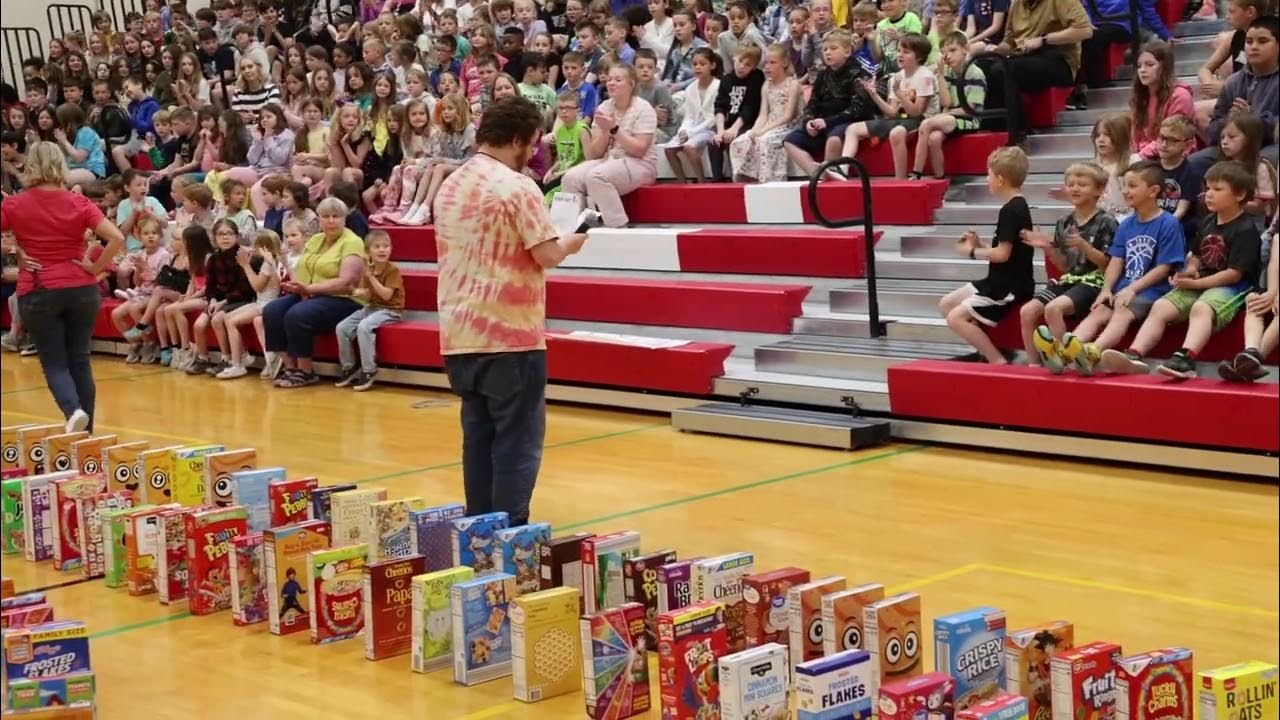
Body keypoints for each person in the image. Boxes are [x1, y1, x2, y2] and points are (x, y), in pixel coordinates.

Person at [435, 95, 588, 527]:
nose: (533, 154)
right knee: (517, 445)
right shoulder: (518, 186)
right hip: (511, 337)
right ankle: (511, 540)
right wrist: (572, 243)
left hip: (459, 335)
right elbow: (546, 253)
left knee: (477, 441)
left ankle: (478, 532)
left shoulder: (450, 184)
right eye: (534, 144)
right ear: (520, 139)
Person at [0, 141, 126, 433]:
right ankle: (86, 432)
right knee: (80, 360)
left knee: (54, 362)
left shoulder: (15, 204)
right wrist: (95, 268)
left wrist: (14, 252)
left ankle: (73, 411)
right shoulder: (78, 202)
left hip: (39, 288)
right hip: (81, 288)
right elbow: (117, 238)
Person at [1100, 162, 1262, 378]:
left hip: (1233, 287)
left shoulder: (1246, 229)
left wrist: (1195, 283)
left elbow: (1234, 274)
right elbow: (1195, 255)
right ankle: (1135, 354)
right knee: (1161, 306)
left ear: (1240, 194)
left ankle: (1186, 358)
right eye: (1207, 188)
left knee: (1201, 308)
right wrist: (1190, 270)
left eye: (1217, 189)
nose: (1208, 194)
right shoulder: (1207, 221)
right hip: (1200, 280)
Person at [1063, 161, 1187, 375]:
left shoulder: (1168, 223)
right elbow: (1116, 261)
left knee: (1121, 312)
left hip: (1152, 291)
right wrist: (1106, 290)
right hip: (1124, 289)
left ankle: (1093, 352)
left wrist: (1133, 289)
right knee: (1099, 310)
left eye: (1131, 186)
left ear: (1153, 191)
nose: (1125, 191)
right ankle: (1067, 350)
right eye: (1124, 186)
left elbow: (1165, 267)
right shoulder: (1127, 224)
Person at [938, 146, 1035, 364]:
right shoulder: (1015, 206)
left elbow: (1002, 254)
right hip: (997, 279)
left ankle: (997, 361)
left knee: (955, 318)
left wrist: (971, 251)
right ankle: (989, 347)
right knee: (946, 304)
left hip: (1009, 286)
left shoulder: (1012, 210)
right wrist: (980, 243)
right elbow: (1007, 249)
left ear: (1000, 179)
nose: (986, 178)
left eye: (988, 174)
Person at [1020, 162, 1118, 373]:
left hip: (1095, 281)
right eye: (1071, 184)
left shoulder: (1107, 222)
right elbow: (1064, 266)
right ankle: (1034, 366)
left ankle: (1065, 362)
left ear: (1099, 191)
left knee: (1054, 308)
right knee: (1027, 312)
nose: (1074, 188)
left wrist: (1084, 246)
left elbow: (1110, 264)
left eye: (1082, 184)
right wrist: (1047, 247)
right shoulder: (1063, 222)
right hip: (1070, 280)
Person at [261, 197, 365, 387]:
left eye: (336, 216)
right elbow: (302, 269)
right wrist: (298, 288)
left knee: (297, 313)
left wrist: (309, 289)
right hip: (311, 292)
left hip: (343, 298)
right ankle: (289, 367)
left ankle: (306, 371)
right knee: (272, 311)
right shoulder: (315, 239)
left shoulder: (353, 242)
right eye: (326, 216)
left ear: (344, 219)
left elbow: (346, 282)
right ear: (319, 219)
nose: (331, 221)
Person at [970, 0, 1092, 143]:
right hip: (1023, 57)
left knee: (1004, 70)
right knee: (982, 65)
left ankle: (1018, 131)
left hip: (1058, 59)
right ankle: (992, 129)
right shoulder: (1016, 4)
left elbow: (1085, 30)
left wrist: (1045, 39)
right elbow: (1009, 42)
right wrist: (994, 50)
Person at [561, 65, 658, 228]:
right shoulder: (604, 107)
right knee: (570, 178)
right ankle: (577, 227)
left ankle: (618, 227)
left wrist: (614, 129)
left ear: (631, 84)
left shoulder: (644, 108)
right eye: (609, 79)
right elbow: (595, 154)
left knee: (596, 176)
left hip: (641, 163)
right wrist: (605, 132)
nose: (611, 83)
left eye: (618, 80)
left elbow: (640, 149)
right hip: (609, 159)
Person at [1189, 16, 1279, 178]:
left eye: (1263, 41)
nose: (1254, 47)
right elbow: (1214, 130)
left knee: (1264, 163)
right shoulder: (1233, 82)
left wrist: (1252, 120)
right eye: (1249, 41)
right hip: (1232, 146)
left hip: (1269, 147)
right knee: (1194, 163)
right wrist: (1230, 122)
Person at [783, 30, 875, 180]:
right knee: (789, 140)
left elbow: (858, 109)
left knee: (833, 138)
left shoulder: (858, 73)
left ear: (846, 52)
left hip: (848, 122)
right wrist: (809, 122)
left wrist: (827, 122)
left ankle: (833, 175)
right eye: (825, 49)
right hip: (823, 123)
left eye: (833, 48)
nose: (827, 53)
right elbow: (813, 103)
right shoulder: (822, 75)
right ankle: (817, 173)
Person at [334, 231, 405, 392]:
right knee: (342, 327)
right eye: (377, 246)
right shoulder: (368, 270)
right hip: (372, 308)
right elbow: (367, 296)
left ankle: (369, 370)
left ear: (391, 249)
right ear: (368, 252)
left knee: (364, 326)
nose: (382, 250)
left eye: (385, 246)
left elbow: (387, 296)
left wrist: (370, 277)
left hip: (391, 310)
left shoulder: (392, 270)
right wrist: (355, 292)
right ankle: (349, 366)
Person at [909, 31, 984, 180]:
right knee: (934, 139)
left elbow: (970, 110)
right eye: (944, 53)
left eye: (953, 50)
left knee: (925, 124)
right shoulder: (948, 71)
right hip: (951, 116)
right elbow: (946, 103)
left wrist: (946, 114)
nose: (947, 56)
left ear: (966, 49)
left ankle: (916, 173)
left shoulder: (976, 73)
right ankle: (940, 178)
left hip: (970, 119)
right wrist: (941, 76)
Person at [213, 229, 283, 379]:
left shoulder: (268, 264)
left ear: (264, 248)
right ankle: (244, 356)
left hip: (268, 304)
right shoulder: (271, 261)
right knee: (227, 317)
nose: (252, 248)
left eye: (255, 246)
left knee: (231, 322)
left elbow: (258, 286)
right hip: (261, 301)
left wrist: (245, 266)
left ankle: (237, 365)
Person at [728, 43, 801, 183]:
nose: (767, 67)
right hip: (769, 124)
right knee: (740, 142)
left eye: (772, 63)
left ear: (784, 63)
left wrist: (763, 131)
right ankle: (744, 181)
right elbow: (763, 115)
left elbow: (788, 116)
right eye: (766, 63)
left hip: (788, 125)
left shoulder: (793, 84)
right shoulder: (766, 85)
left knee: (764, 141)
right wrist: (754, 131)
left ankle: (768, 181)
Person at [1220, 224, 1277, 381]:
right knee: (1253, 301)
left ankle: (1253, 360)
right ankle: (1250, 352)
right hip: (1275, 290)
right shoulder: (1278, 238)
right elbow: (1274, 267)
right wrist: (1273, 293)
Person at [663, 48, 721, 183]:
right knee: (669, 150)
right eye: (694, 64)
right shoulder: (690, 89)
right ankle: (682, 183)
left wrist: (691, 133)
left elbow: (713, 118)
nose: (698, 67)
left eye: (702, 63)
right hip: (692, 128)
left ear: (712, 65)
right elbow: (689, 116)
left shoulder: (719, 86)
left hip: (711, 129)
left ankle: (701, 182)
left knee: (689, 147)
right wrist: (683, 130)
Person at [710, 44, 764, 182]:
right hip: (728, 122)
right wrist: (720, 130)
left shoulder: (757, 78)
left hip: (747, 123)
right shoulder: (726, 79)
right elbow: (719, 106)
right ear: (734, 58)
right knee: (713, 141)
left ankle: (737, 179)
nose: (742, 67)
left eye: (747, 65)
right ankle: (718, 180)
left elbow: (749, 108)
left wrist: (734, 129)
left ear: (754, 67)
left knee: (732, 140)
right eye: (740, 61)